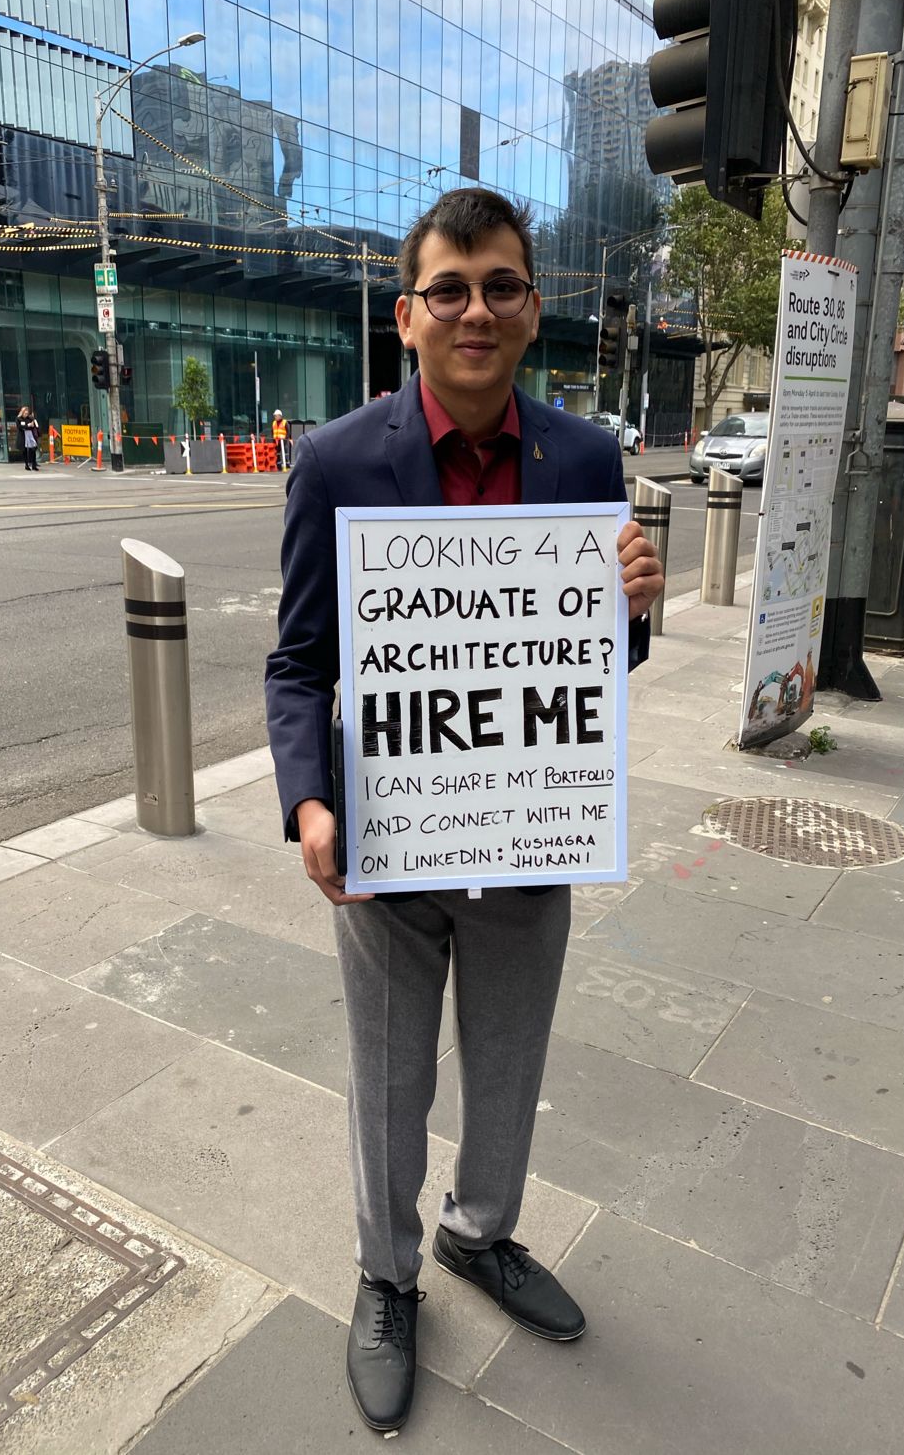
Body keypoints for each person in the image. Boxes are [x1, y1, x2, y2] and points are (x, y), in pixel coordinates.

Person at [264, 188, 663, 1433]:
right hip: (387, 842)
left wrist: (631, 608)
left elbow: (590, 663)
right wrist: (309, 801)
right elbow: (297, 662)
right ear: (408, 316)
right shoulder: (336, 462)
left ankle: (479, 1232)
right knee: (389, 1079)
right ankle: (386, 1275)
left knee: (508, 1061)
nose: (474, 310)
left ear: (533, 310)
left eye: (500, 286)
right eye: (449, 288)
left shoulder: (583, 459)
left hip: (525, 833)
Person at [16, 406, 40, 471]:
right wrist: (27, 425)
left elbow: (33, 426)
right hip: (23, 435)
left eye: (27, 413)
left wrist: (31, 425)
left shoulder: (30, 418)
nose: (26, 415)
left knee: (33, 449)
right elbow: (19, 427)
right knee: (25, 451)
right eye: (25, 413)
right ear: (22, 413)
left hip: (30, 434)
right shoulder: (19, 419)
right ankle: (26, 465)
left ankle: (34, 465)